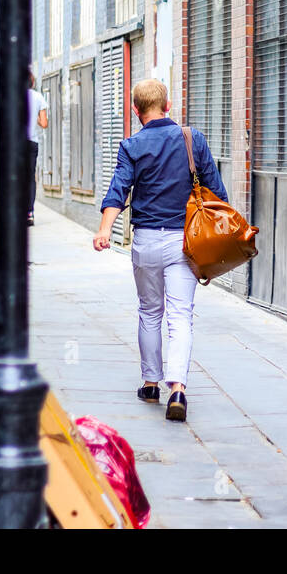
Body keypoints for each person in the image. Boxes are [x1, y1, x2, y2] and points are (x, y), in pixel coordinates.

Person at [94, 79, 227, 422]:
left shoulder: (131, 145)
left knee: (150, 312)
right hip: (185, 243)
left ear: (135, 111)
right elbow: (217, 193)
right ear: (168, 105)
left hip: (147, 242)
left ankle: (150, 383)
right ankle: (178, 389)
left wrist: (105, 229)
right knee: (180, 316)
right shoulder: (192, 139)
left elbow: (118, 190)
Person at [27, 70, 48, 225]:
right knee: (30, 178)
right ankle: (29, 213)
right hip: (31, 143)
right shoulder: (38, 96)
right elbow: (44, 123)